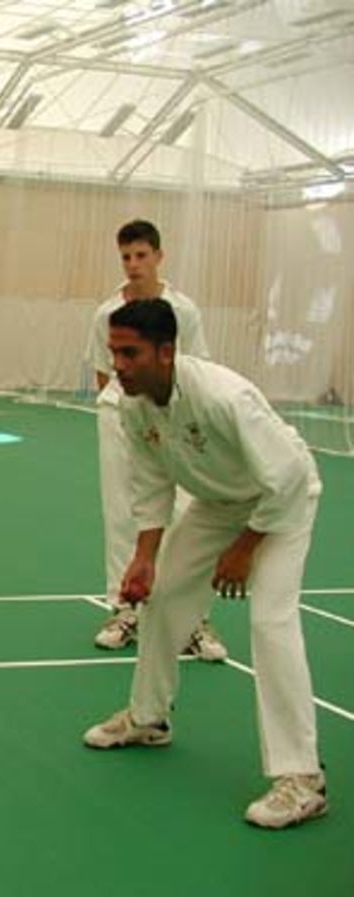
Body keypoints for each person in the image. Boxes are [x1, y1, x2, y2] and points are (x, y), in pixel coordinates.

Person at [83, 298, 326, 829]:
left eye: (130, 353)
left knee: (270, 619)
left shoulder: (224, 396)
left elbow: (284, 478)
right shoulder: (134, 404)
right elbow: (150, 487)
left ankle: (303, 777)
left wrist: (243, 550)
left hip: (280, 504)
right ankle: (148, 719)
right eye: (113, 352)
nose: (117, 366)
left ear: (166, 352)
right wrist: (144, 559)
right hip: (218, 503)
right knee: (165, 596)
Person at [85, 220, 226, 660]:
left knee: (187, 514)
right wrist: (124, 405)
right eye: (126, 256)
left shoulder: (183, 311)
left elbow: (196, 367)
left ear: (158, 256)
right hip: (120, 417)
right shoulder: (105, 313)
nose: (133, 265)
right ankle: (124, 610)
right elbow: (103, 371)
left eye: (141, 255)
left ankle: (193, 620)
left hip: (177, 422)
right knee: (123, 510)